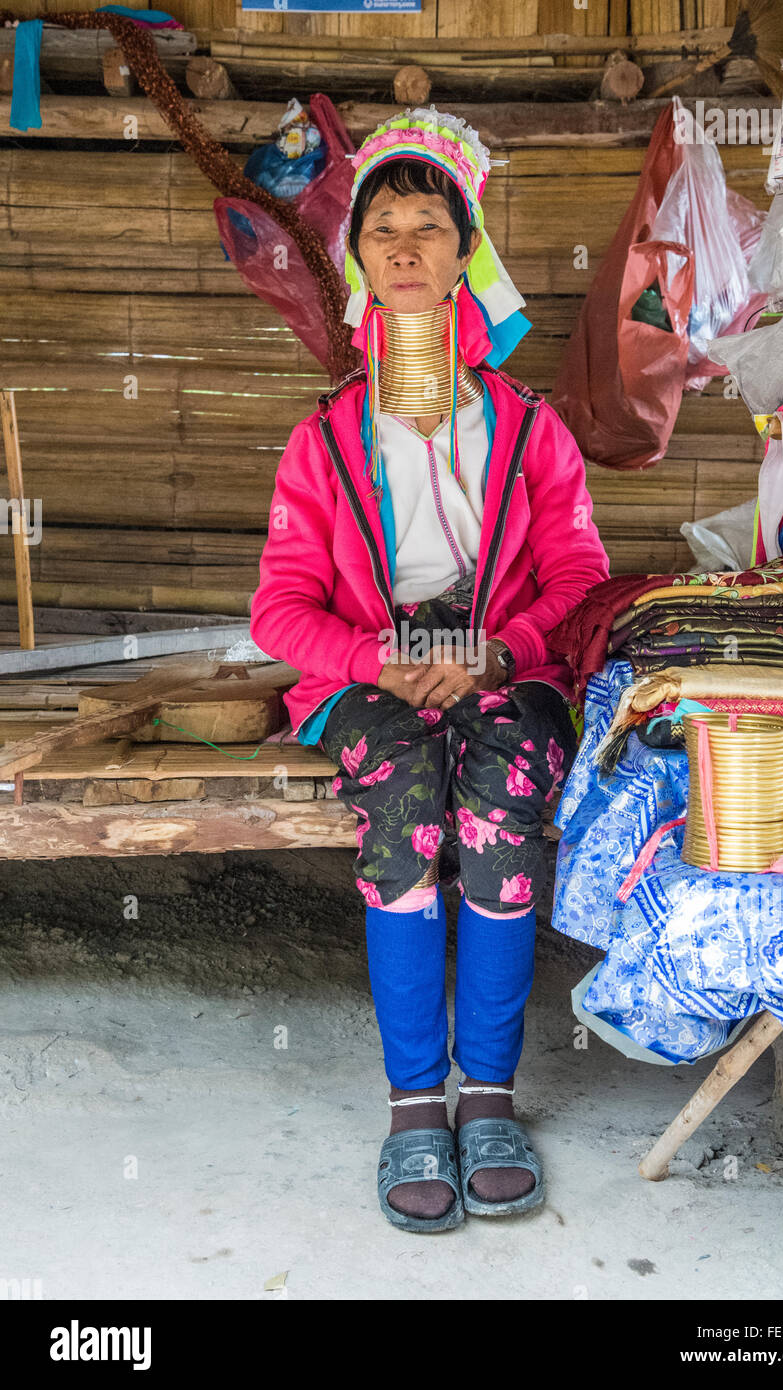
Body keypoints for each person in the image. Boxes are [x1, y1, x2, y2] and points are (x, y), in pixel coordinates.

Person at [250, 107, 609, 1232]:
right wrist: (378, 659)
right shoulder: (326, 439)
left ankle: (489, 1093)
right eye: (383, 229)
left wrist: (498, 650)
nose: (405, 247)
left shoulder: (526, 426)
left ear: (467, 254)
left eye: (429, 226)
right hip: (371, 669)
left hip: (507, 656)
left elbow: (581, 580)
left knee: (502, 810)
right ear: (360, 259)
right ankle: (417, 1103)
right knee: (406, 807)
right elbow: (278, 609)